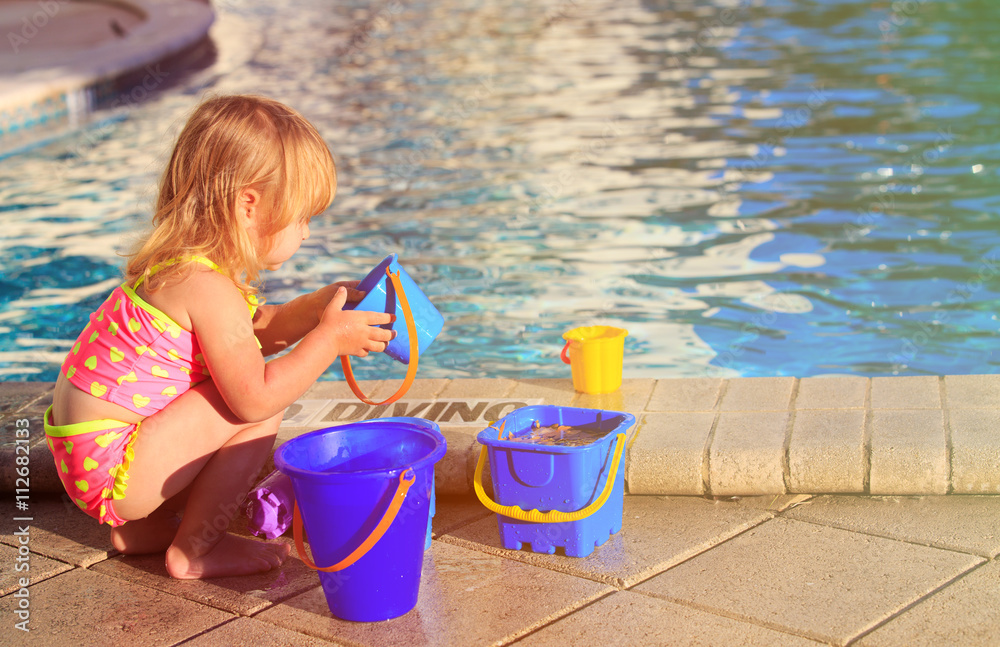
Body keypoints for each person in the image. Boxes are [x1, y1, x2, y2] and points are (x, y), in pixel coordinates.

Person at [46, 94, 395, 579]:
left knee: (238, 381)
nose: (307, 233)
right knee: (260, 403)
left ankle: (148, 526)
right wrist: (328, 343)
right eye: (302, 217)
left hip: (93, 458)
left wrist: (314, 311)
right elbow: (254, 396)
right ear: (249, 205)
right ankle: (194, 550)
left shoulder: (184, 269)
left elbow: (250, 335)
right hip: (116, 467)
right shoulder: (209, 288)